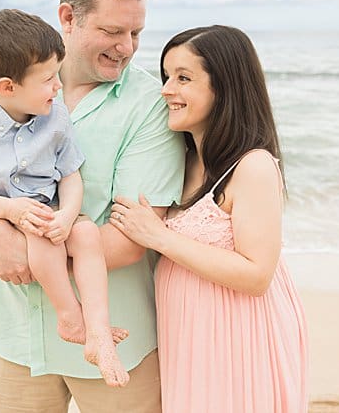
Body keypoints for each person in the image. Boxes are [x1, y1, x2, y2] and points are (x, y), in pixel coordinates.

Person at [0, 0, 184, 412]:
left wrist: (15, 253)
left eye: (136, 33)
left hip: (116, 335)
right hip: (17, 334)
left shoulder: (150, 105)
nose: (126, 47)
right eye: (111, 31)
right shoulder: (6, 78)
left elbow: (128, 243)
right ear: (68, 17)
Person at [109, 26, 307, 410]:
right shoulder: (183, 160)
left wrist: (159, 237)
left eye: (184, 78)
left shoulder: (253, 166)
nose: (166, 90)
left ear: (225, 88)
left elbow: (256, 275)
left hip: (239, 334)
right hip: (189, 334)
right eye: (166, 76)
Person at [0, 9, 128, 386]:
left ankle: (98, 330)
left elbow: (70, 175)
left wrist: (69, 215)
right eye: (48, 79)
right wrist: (8, 210)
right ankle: (69, 316)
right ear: (7, 87)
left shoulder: (55, 118)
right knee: (41, 234)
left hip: (47, 210)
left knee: (86, 235)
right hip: (2, 214)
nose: (58, 86)